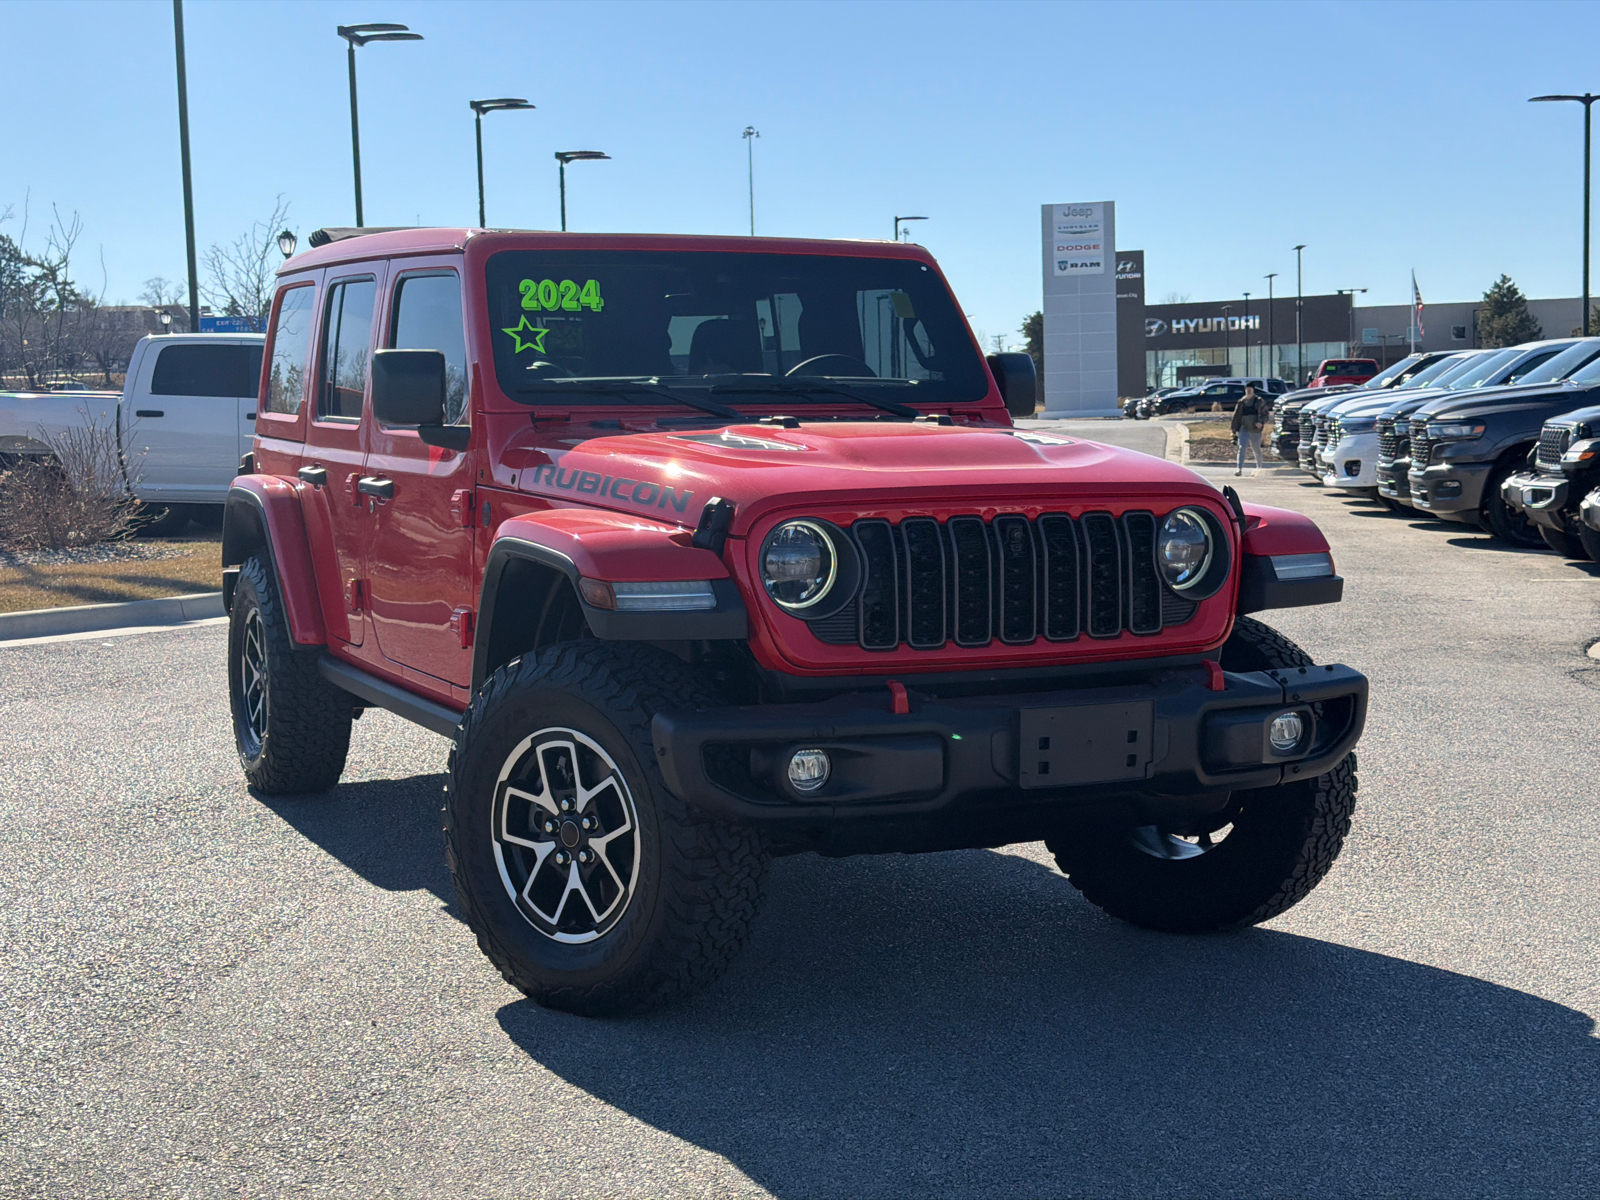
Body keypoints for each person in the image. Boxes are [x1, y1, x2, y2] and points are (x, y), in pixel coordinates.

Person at [1231, 384, 1264, 475]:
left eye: (1250, 389)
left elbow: (1265, 414)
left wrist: (1261, 422)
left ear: (1253, 390)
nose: (1249, 391)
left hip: (1255, 429)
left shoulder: (1259, 401)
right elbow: (1236, 415)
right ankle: (1239, 469)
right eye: (1247, 389)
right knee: (1241, 448)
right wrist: (1234, 428)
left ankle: (1259, 467)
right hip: (1244, 428)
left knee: (1256, 449)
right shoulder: (1241, 402)